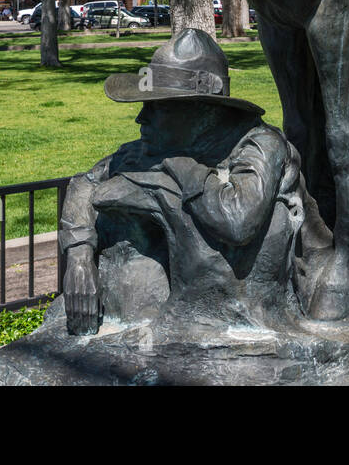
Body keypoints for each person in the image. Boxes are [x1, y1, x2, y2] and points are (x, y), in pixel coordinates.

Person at [59, 28, 303, 334]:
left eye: (156, 106)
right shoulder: (160, 142)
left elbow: (239, 220)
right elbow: (86, 182)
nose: (141, 118)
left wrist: (177, 164)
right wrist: (79, 255)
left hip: (236, 321)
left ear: (199, 109)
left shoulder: (261, 146)